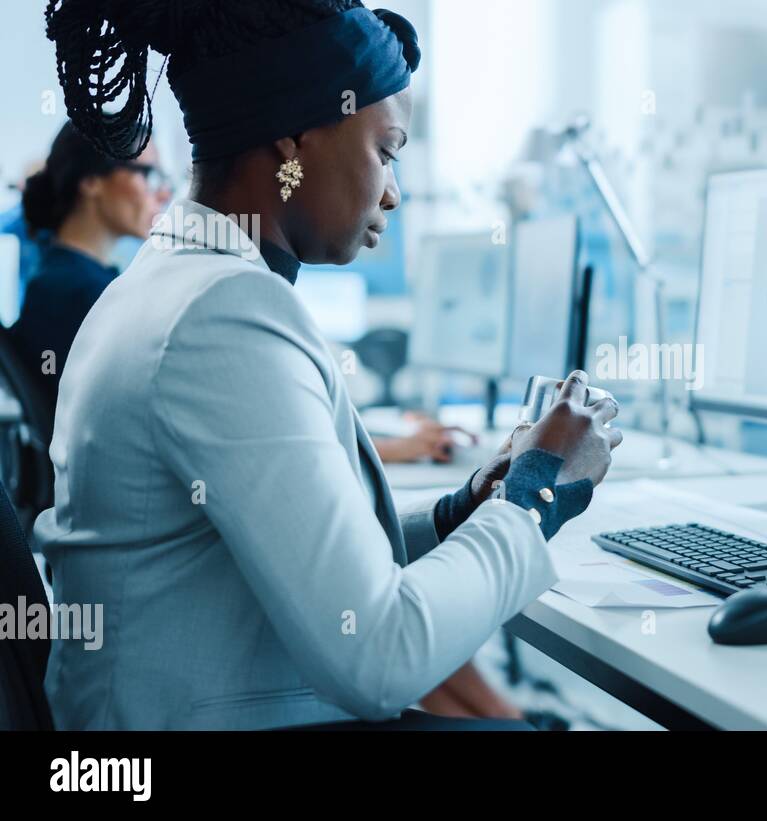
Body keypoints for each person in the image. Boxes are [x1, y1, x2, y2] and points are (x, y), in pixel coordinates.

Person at [36, 0, 621, 730]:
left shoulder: (174, 284)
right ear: (296, 139)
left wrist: (461, 508)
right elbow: (379, 652)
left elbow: (301, 555)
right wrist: (538, 493)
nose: (394, 191)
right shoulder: (220, 316)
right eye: (386, 149)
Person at [9, 123, 170, 410]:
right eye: (146, 174)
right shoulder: (76, 294)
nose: (162, 195)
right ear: (92, 181)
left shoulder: (61, 280)